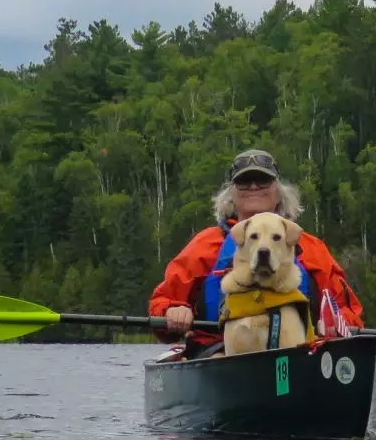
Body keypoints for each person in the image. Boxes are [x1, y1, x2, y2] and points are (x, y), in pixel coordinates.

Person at [149, 148, 364, 348]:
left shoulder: (311, 248)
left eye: (262, 181)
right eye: (244, 182)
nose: (253, 187)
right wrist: (173, 310)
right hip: (221, 350)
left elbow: (349, 311)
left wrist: (339, 322)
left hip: (299, 351)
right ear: (231, 194)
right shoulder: (205, 245)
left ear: (278, 193)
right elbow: (162, 302)